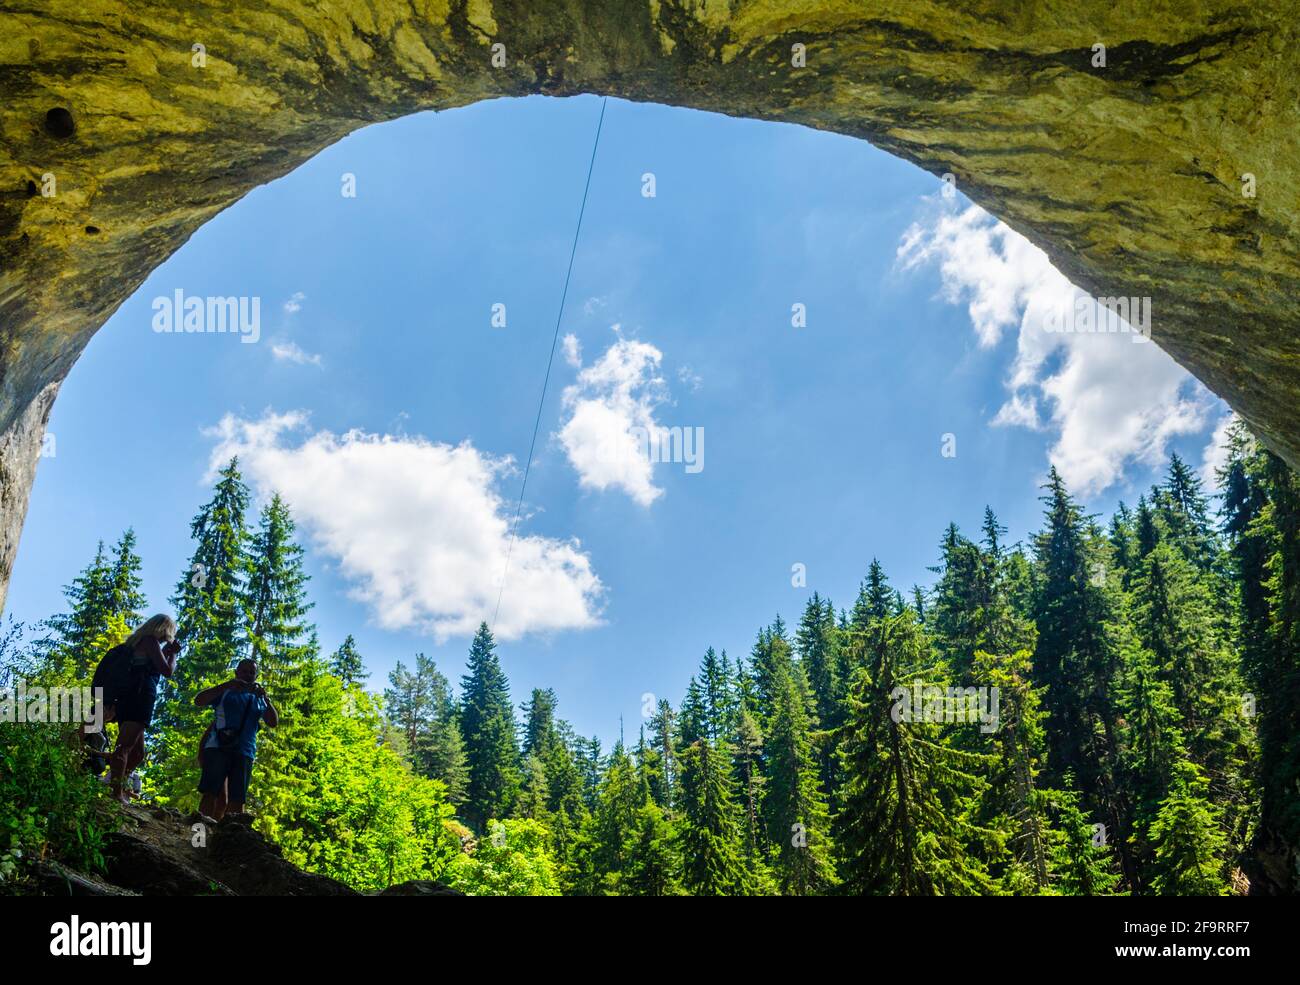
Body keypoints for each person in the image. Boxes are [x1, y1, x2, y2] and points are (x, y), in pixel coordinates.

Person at [106, 614, 180, 803]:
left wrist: (166, 651)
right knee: (124, 747)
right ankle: (115, 793)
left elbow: (150, 665)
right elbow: (167, 671)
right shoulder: (149, 641)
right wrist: (173, 654)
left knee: (138, 753)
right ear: (163, 628)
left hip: (128, 698)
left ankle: (116, 784)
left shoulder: (137, 643)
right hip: (139, 699)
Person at [195, 659, 278, 820]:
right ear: (236, 672)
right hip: (218, 748)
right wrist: (225, 686)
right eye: (244, 671)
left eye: (251, 672)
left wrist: (265, 698)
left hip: (245, 752)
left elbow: (273, 722)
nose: (247, 675)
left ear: (256, 676)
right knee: (210, 793)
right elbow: (199, 700)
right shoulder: (225, 691)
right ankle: (199, 838)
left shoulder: (259, 699)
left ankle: (230, 839)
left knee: (237, 799)